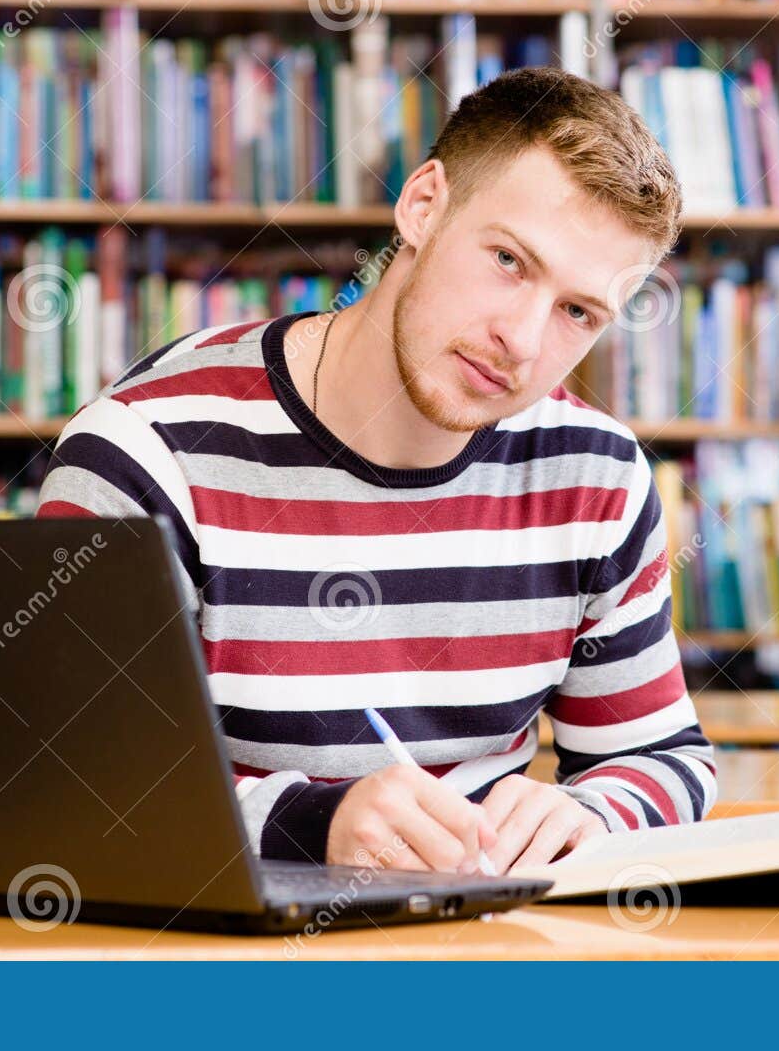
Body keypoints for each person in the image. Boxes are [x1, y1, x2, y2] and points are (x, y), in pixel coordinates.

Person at [36, 65, 716, 875]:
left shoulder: (595, 477)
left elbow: (665, 756)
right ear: (424, 205)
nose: (525, 342)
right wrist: (311, 826)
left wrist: (591, 812)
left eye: (578, 312)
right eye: (508, 260)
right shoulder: (148, 448)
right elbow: (65, 776)